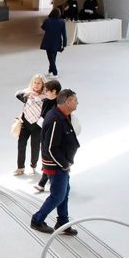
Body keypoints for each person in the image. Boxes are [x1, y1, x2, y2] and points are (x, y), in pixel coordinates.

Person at [30, 88, 80, 236]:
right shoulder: (56, 120)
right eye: (75, 100)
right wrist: (63, 164)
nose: (77, 103)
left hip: (61, 164)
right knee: (58, 195)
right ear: (67, 102)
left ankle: (63, 222)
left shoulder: (63, 116)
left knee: (64, 192)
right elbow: (51, 147)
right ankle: (37, 220)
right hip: (56, 165)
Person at [30, 79, 60, 195]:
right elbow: (42, 115)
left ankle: (43, 183)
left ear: (54, 91)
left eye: (47, 90)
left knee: (51, 158)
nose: (45, 92)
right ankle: (46, 182)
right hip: (45, 132)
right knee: (46, 157)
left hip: (55, 134)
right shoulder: (46, 101)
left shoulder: (60, 103)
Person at [13, 75, 46, 175]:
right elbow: (17, 94)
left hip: (37, 126)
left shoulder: (45, 97)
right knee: (21, 145)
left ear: (43, 84)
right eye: (34, 82)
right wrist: (29, 93)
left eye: (39, 83)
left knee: (35, 147)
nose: (36, 85)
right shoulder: (28, 93)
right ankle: (20, 167)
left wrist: (41, 97)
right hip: (25, 124)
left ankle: (33, 166)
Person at [40, 7, 67, 76]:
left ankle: (55, 73)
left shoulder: (47, 21)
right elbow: (64, 34)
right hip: (57, 41)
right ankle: (50, 71)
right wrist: (64, 44)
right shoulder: (62, 22)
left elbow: (43, 27)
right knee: (53, 57)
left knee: (50, 58)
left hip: (48, 41)